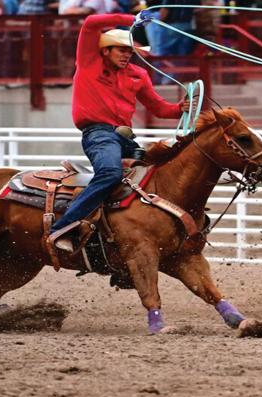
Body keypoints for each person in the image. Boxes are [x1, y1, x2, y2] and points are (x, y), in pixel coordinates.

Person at [47, 9, 186, 251]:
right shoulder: (89, 62)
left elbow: (158, 108)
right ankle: (63, 226)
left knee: (161, 176)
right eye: (122, 50)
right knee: (110, 173)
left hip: (125, 138)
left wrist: (180, 109)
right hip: (99, 134)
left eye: (130, 51)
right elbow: (90, 23)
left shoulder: (138, 74)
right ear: (105, 50)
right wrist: (129, 19)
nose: (127, 55)